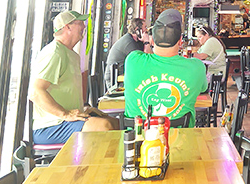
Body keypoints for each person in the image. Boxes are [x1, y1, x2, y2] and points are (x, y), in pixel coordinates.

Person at [30, 10, 116, 143]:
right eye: (80, 23)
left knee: (116, 123)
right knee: (105, 126)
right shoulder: (54, 52)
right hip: (50, 126)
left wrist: (84, 108)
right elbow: (36, 92)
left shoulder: (71, 54)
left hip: (65, 121)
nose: (84, 27)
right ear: (67, 27)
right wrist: (65, 114)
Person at [124, 8, 207, 125]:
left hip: (137, 140)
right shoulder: (196, 67)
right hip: (181, 140)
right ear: (180, 41)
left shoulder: (133, 60)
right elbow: (203, 89)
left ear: (152, 40)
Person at [104, 17, 146, 86]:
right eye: (145, 27)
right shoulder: (129, 42)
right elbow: (143, 63)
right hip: (115, 81)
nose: (146, 30)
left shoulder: (136, 42)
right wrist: (146, 42)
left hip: (122, 78)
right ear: (137, 30)